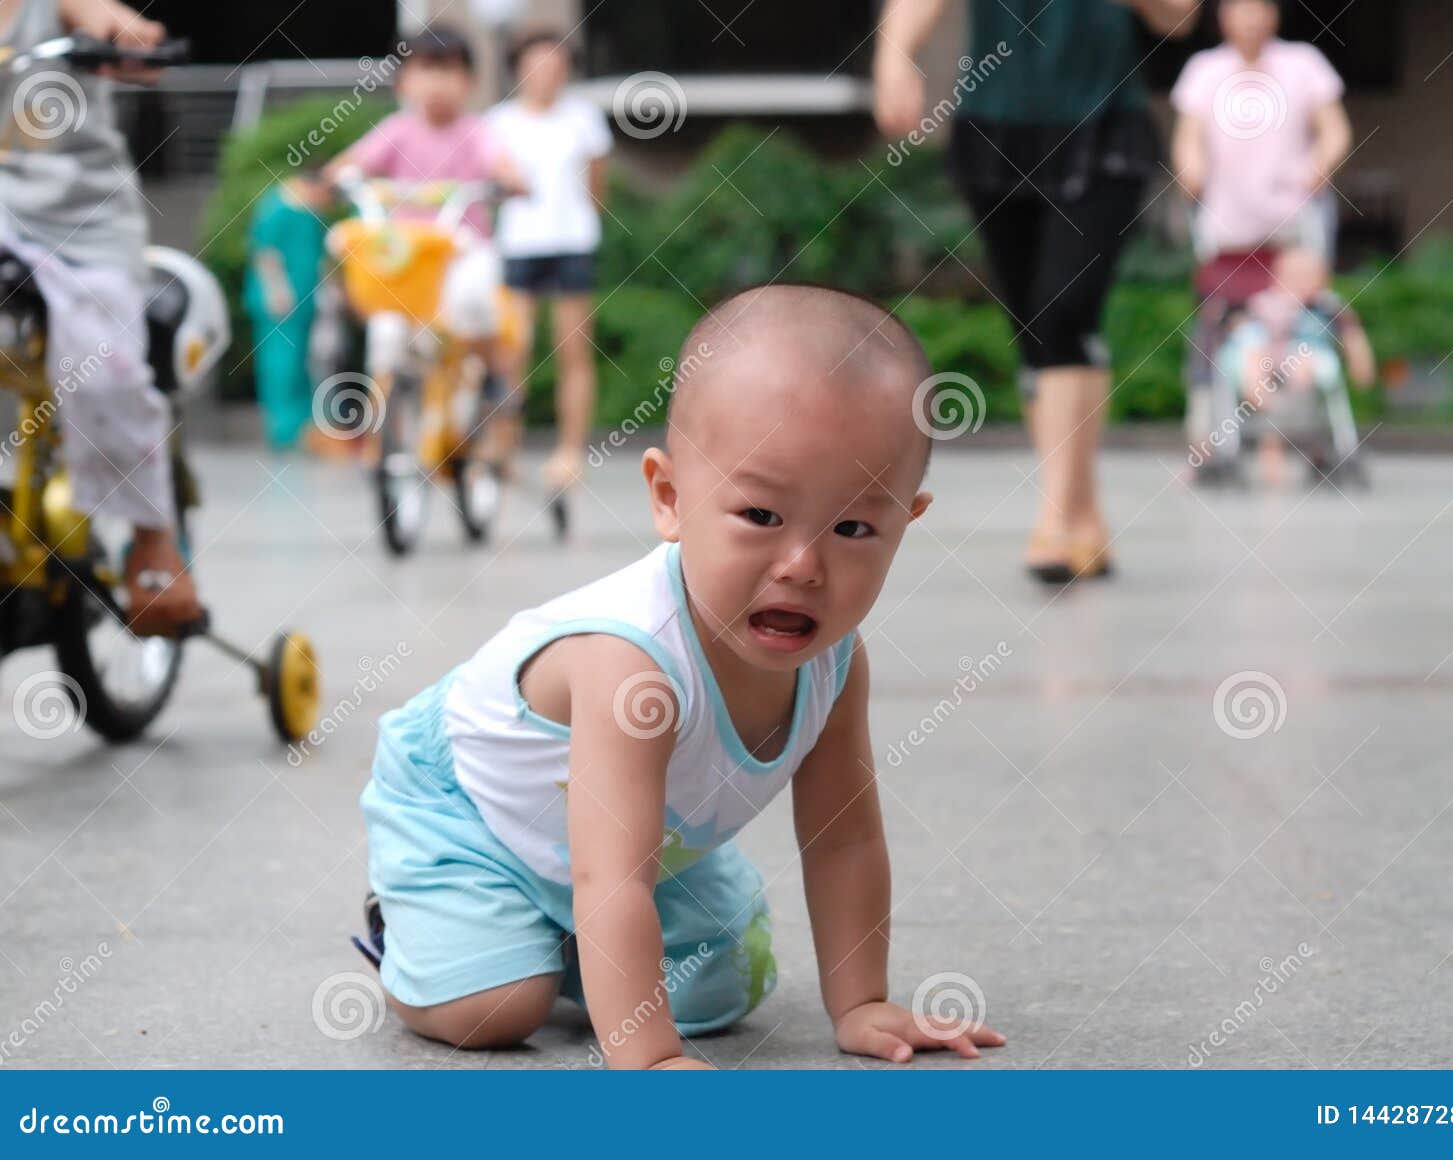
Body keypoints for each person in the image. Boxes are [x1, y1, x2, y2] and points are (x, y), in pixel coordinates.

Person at [357, 284, 1006, 1068]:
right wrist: (651, 1058)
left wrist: (862, 1002)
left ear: (906, 521)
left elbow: (845, 838)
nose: (802, 567)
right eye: (760, 517)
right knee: (496, 1007)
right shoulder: (635, 665)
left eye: (854, 527)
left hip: (637, 851)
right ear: (669, 498)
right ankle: (422, 930)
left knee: (724, 986)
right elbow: (610, 873)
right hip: (472, 816)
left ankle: (561, 944)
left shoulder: (837, 661)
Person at [875, 0, 1201, 586]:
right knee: (1039, 331)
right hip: (995, 128)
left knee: (1062, 312)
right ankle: (1086, 515)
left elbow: (1178, 17)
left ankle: (1054, 519)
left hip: (1103, 128)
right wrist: (895, 57)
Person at [0, 0, 202, 634]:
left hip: (80, 224)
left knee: (102, 370)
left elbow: (114, 25)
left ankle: (153, 535)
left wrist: (126, 38)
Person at [325, 25, 524, 455]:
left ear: (469, 81)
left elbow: (504, 166)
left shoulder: (477, 131)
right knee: (385, 329)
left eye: (449, 70)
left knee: (474, 300)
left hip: (459, 252)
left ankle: (492, 378)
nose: (438, 82)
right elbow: (348, 165)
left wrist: (510, 181)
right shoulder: (397, 130)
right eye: (426, 70)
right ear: (404, 81)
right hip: (407, 258)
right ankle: (386, 436)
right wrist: (338, 178)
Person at [485, 30, 611, 496]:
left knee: (573, 351)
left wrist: (580, 219)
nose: (544, 75)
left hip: (571, 244)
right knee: (510, 352)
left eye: (554, 66)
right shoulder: (498, 122)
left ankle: (571, 451)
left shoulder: (583, 118)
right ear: (519, 69)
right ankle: (503, 449)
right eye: (535, 65)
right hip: (517, 246)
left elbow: (598, 185)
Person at [1170, 0, 1351, 261]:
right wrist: (1192, 176)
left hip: (1296, 215)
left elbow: (1335, 130)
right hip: (1225, 218)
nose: (1252, 19)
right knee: (1225, 297)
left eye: (1260, 8)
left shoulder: (1304, 62)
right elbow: (1188, 138)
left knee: (1299, 297)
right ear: (1223, 14)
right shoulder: (1203, 69)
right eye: (1242, 8)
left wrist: (1319, 167)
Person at [1219, 246, 1374, 485]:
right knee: (1250, 340)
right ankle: (1258, 388)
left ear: (1324, 281)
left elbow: (1352, 334)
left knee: (1305, 360)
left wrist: (1361, 364)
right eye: (1292, 277)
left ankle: (1277, 408)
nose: (1300, 283)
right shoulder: (1266, 303)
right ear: (1276, 279)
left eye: (1308, 276)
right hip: (1269, 356)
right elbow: (1240, 326)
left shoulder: (1328, 306)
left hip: (1306, 359)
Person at [244, 171, 333, 452]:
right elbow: (265, 252)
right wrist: (276, 290)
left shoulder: (307, 212)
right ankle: (284, 430)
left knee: (299, 365)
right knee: (280, 365)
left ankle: (303, 429)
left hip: (304, 303)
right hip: (279, 304)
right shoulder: (277, 207)